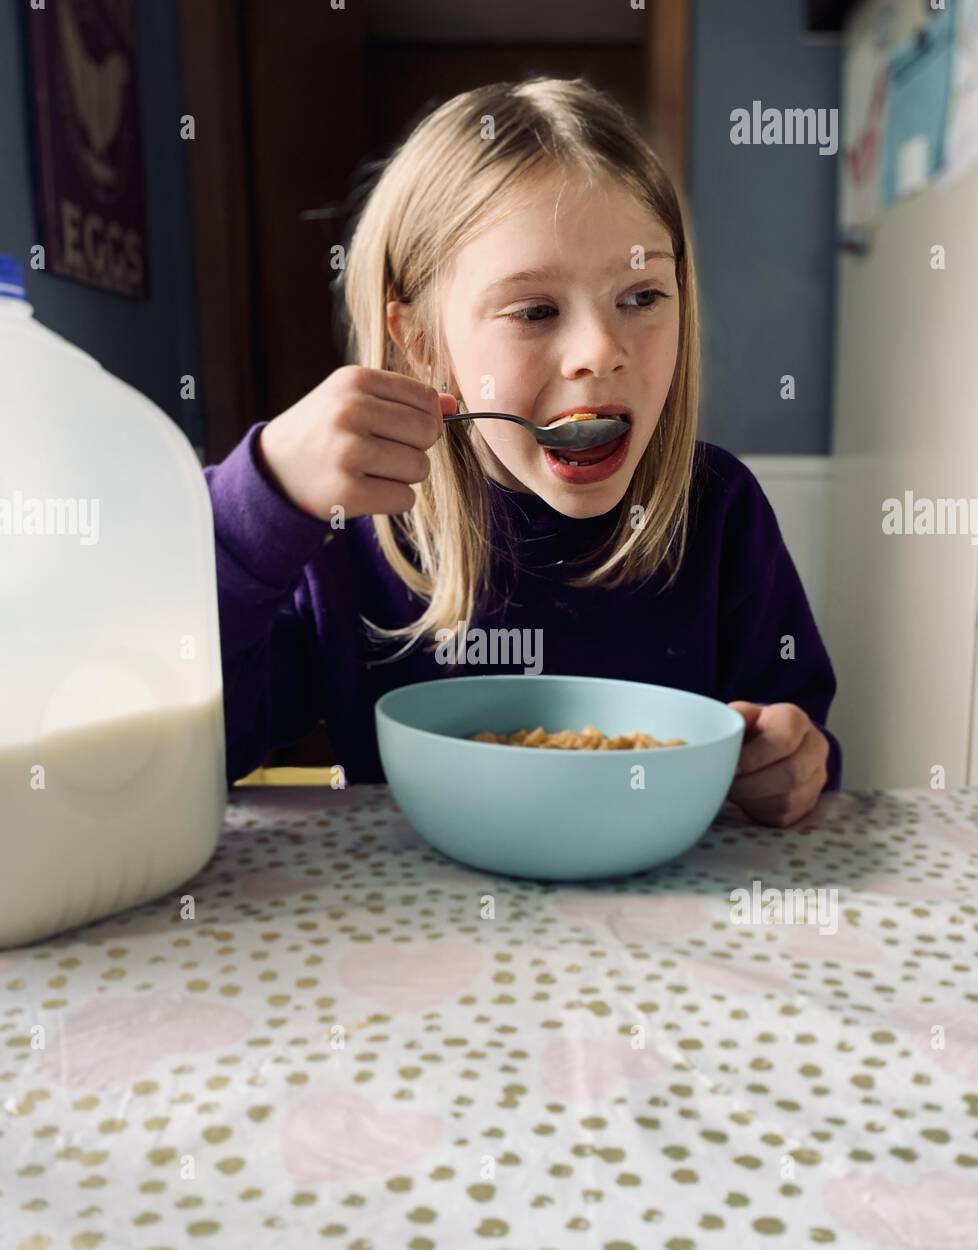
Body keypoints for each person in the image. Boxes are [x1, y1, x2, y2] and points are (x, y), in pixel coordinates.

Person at [204, 77, 841, 828]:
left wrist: (794, 767)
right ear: (421, 342)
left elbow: (797, 747)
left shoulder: (721, 512)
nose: (600, 353)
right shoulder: (353, 534)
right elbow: (205, 751)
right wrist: (261, 497)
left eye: (641, 297)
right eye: (535, 311)